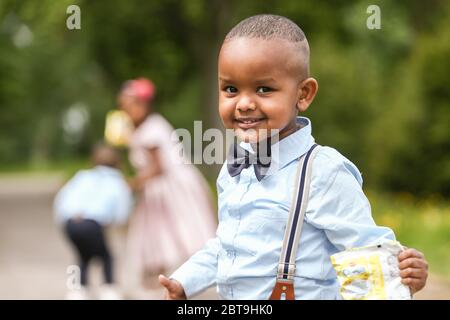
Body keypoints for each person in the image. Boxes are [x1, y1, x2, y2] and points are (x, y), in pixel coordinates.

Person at [159, 14, 429, 300]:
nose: (245, 103)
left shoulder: (323, 172)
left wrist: (406, 276)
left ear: (303, 94)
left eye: (264, 89)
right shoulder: (234, 169)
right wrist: (185, 281)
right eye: (231, 89)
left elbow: (367, 254)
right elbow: (228, 246)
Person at [118, 78, 216, 295]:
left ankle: (190, 275)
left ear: (142, 105)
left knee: (179, 228)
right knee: (156, 230)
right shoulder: (145, 127)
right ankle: (156, 275)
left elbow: (157, 168)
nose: (127, 111)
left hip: (170, 187)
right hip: (160, 188)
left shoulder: (151, 129)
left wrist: (132, 183)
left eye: (130, 105)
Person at [54, 143, 133, 299]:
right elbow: (122, 212)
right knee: (106, 256)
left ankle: (77, 289)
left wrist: (62, 220)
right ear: (118, 163)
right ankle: (109, 287)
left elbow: (61, 199)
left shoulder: (82, 176)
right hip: (93, 223)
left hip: (70, 222)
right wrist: (119, 224)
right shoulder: (118, 182)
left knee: (82, 255)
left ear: (93, 161)